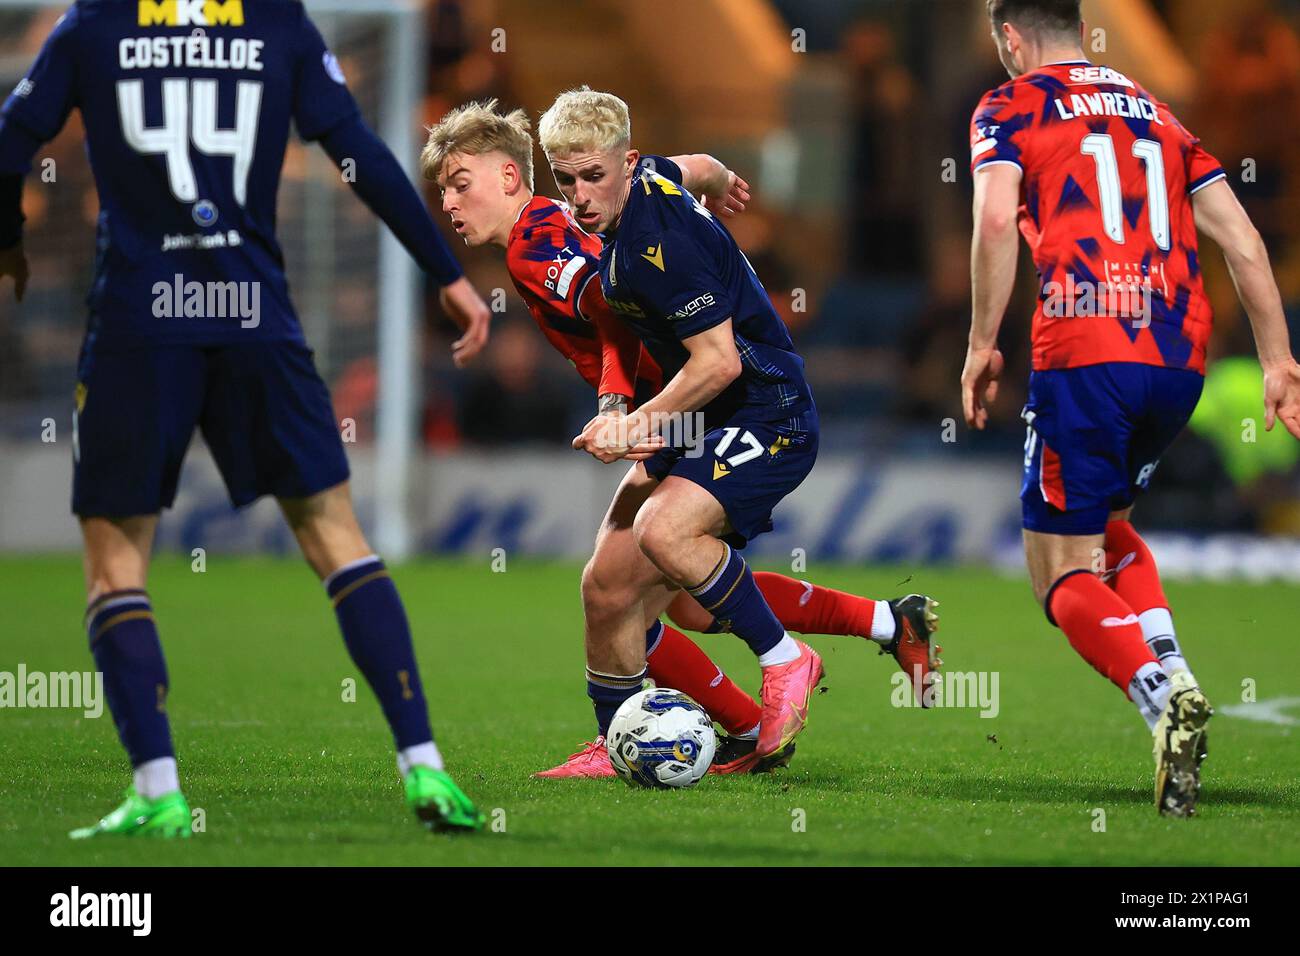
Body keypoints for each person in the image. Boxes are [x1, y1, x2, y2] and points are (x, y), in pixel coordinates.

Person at [0, 0, 492, 835]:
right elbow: (359, 155)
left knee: (116, 563)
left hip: (138, 321)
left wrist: (8, 234)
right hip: (252, 315)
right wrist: (443, 269)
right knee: (336, 535)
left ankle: (157, 790)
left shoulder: (96, 22)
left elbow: (13, 134)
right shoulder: (275, 21)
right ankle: (427, 770)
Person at [421, 98, 942, 777]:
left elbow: (617, 312)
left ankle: (758, 687)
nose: (451, 205)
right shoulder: (614, 196)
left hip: (719, 402)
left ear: (512, 178)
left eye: (461, 184)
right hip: (689, 403)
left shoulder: (536, 243)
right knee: (653, 595)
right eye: (442, 192)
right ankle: (869, 635)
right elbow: (688, 168)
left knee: (643, 568)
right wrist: (722, 179)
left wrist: (627, 412)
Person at [963, 0, 1300, 816]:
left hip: (1086, 351)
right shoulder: (1155, 109)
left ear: (1011, 37)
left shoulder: (1011, 103)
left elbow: (994, 218)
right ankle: (1174, 669)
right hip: (1178, 357)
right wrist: (1279, 359)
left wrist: (980, 342)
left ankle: (1158, 696)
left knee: (1058, 573)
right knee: (1108, 530)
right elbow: (1245, 242)